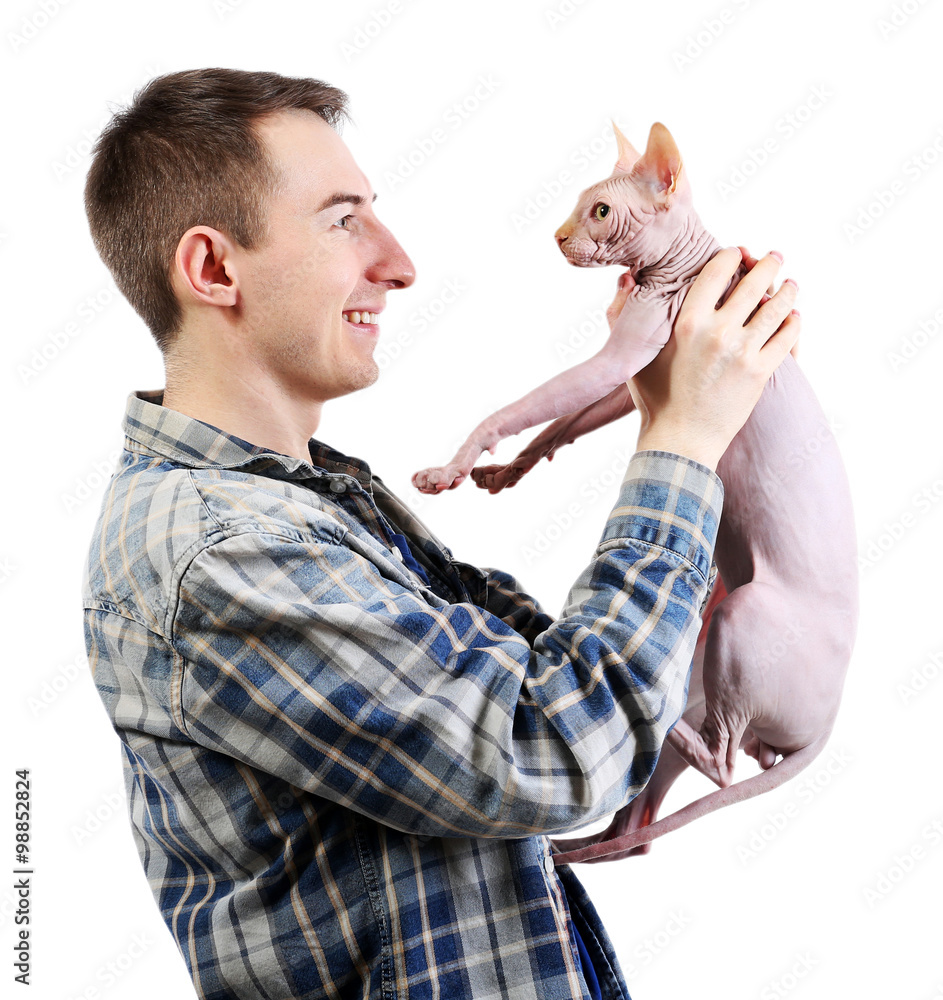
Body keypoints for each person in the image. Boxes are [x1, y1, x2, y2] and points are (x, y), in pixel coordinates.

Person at [81, 67, 799, 1000]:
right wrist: (683, 443)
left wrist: (665, 411)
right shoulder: (219, 550)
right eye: (343, 220)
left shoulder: (313, 504)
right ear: (214, 270)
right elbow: (565, 752)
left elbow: (556, 691)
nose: (400, 263)